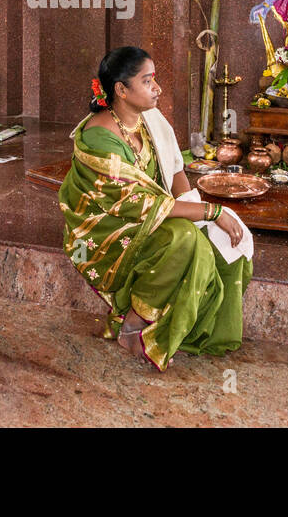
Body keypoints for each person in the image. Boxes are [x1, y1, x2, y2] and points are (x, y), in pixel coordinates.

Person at [58, 46, 253, 371]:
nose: (157, 88)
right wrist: (210, 213)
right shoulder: (99, 138)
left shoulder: (148, 119)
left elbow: (174, 169)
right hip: (103, 232)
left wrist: (197, 213)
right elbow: (135, 203)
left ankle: (169, 325)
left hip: (148, 217)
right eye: (147, 81)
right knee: (184, 240)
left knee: (209, 243)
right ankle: (133, 325)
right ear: (121, 90)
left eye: (155, 79)